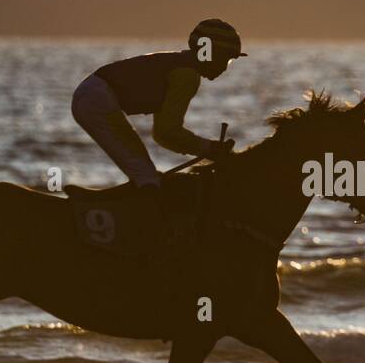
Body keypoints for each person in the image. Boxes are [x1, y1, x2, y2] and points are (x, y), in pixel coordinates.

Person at [71, 19, 245, 229]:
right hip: (96, 100)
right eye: (226, 60)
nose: (225, 68)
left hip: (92, 95)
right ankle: (142, 236)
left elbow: (162, 135)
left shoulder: (182, 66)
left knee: (147, 176)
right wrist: (209, 148)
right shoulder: (187, 76)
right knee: (147, 178)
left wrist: (208, 149)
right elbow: (168, 133)